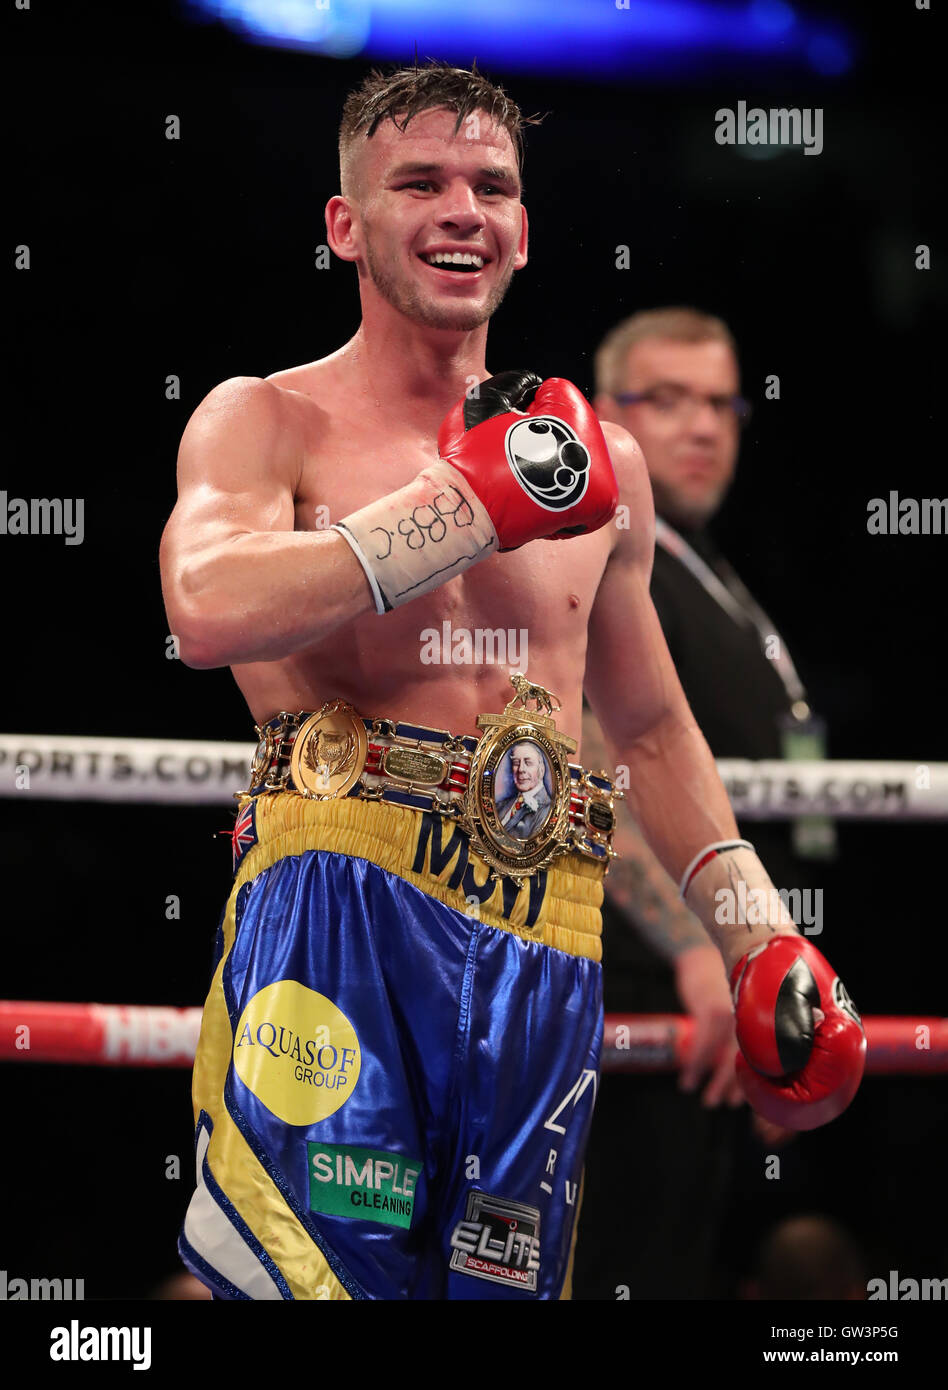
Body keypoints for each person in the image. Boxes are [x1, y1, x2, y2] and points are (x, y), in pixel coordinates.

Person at [158, 65, 863, 1302]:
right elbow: (206, 605)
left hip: (546, 945)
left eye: (492, 186)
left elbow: (645, 724)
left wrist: (758, 937)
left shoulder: (606, 465)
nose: (462, 209)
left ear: (525, 231)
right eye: (418, 182)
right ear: (344, 225)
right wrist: (460, 512)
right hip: (338, 927)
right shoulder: (266, 420)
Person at [573, 307, 829, 1299]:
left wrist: (754, 962)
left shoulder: (704, 568)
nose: (703, 425)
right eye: (665, 399)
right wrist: (697, 941)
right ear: (606, 416)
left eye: (720, 401)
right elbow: (584, 749)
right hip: (643, 995)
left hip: (719, 994)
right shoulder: (597, 545)